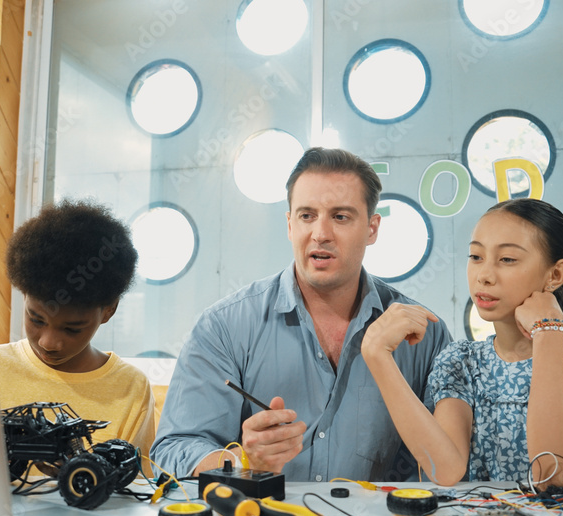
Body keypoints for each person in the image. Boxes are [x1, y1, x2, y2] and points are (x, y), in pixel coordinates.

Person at [150, 147, 451, 482]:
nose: (320, 234)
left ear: (372, 229)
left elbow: (447, 469)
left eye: (340, 217)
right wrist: (240, 460)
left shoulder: (425, 336)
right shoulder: (224, 327)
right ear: (290, 224)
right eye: (307, 216)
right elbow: (171, 451)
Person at [361, 198, 563, 487]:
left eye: (507, 259)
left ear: (555, 274)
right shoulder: (461, 361)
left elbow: (552, 476)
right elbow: (445, 471)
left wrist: (549, 332)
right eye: (476, 257)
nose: (485, 276)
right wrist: (377, 356)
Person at [0, 199, 156, 459]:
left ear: (108, 311)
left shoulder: (130, 389)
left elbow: (134, 490)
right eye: (36, 320)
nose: (48, 342)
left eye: (71, 329)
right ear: (23, 294)